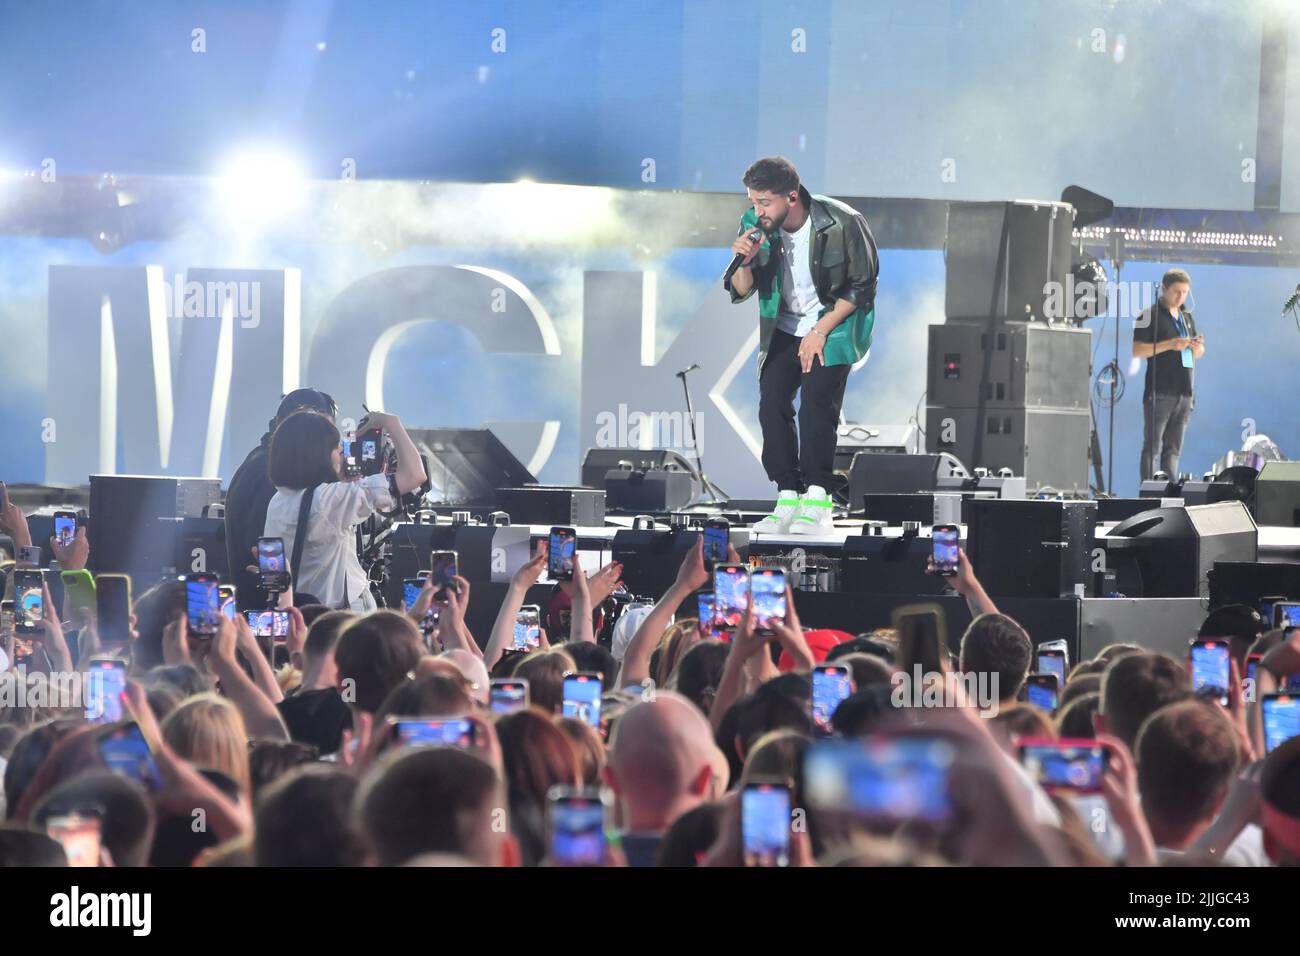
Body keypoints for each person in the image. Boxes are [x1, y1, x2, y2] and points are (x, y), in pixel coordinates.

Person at [725, 156, 880, 532]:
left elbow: (863, 286)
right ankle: (788, 493)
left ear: (791, 197)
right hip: (785, 326)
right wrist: (742, 260)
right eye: (752, 202)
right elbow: (741, 289)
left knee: (816, 405)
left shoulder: (842, 222)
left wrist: (819, 331)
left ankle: (818, 497)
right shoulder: (756, 226)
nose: (757, 211)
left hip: (836, 325)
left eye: (764, 202)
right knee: (772, 400)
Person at [263, 409, 427, 611]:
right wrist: (391, 422)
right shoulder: (328, 500)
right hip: (344, 613)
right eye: (339, 450)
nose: (343, 457)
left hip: (303, 610)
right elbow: (414, 475)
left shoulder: (278, 500)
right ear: (318, 456)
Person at [225, 388, 338, 608]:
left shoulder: (260, 460)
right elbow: (263, 547)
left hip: (258, 605)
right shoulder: (273, 474)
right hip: (266, 613)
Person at [1133, 268, 1205, 482]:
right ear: (1164, 289)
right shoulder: (1149, 315)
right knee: (1152, 449)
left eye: (1185, 292)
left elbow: (1199, 354)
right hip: (1160, 392)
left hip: (1185, 392)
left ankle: (1170, 493)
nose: (1181, 296)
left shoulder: (1187, 317)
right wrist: (1170, 344)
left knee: (1173, 450)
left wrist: (1196, 347)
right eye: (1176, 291)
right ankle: (1148, 494)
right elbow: (1138, 350)